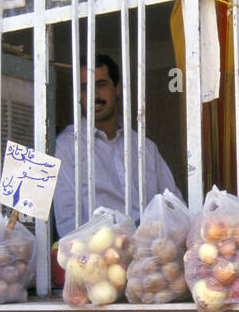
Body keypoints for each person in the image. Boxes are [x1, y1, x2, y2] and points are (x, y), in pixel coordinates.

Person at [52, 54, 182, 238]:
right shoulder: (66, 146)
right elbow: (68, 223)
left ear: (118, 88)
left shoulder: (144, 147)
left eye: (101, 85)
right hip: (100, 256)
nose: (94, 96)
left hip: (149, 255)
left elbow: (174, 205)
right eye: (84, 88)